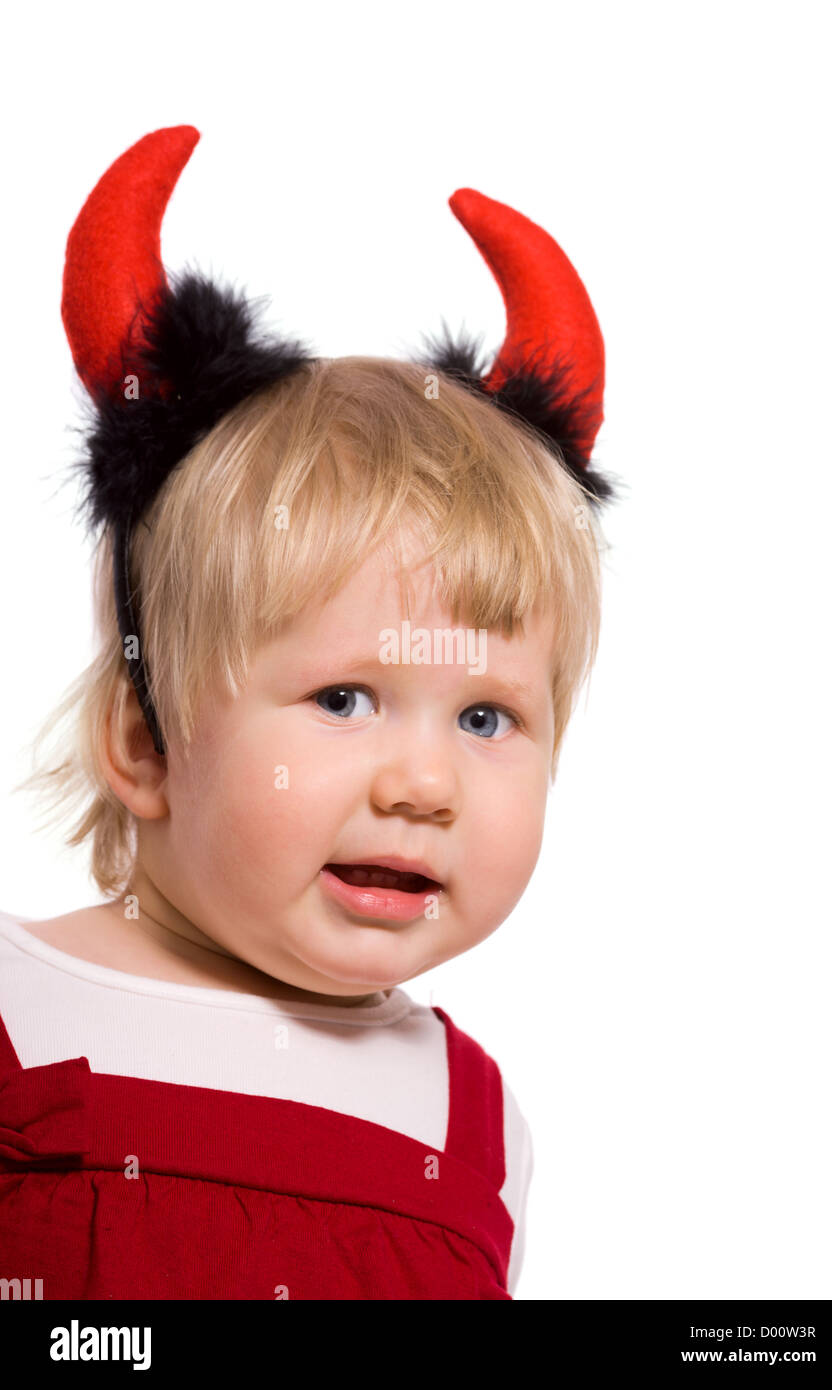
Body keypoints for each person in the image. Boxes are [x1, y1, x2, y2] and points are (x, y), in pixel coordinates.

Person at [0, 125, 618, 1299]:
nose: (422, 784)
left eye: (485, 718)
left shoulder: (478, 1128)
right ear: (146, 736)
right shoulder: (16, 1009)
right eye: (344, 698)